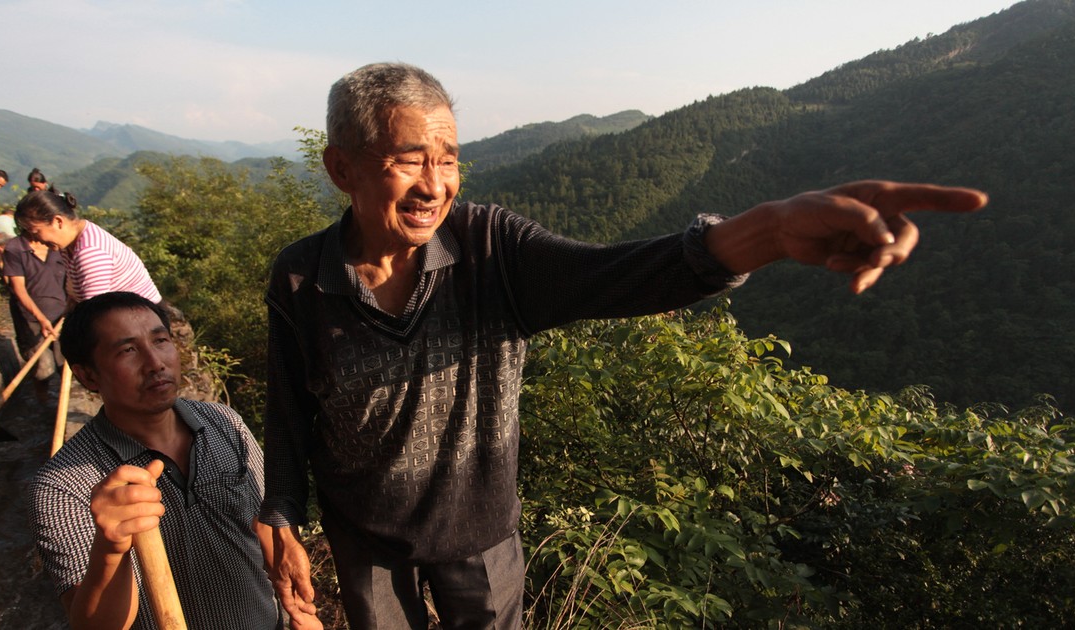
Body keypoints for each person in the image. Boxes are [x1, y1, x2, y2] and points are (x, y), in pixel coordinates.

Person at [260, 62, 988, 628]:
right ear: (341, 168)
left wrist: (761, 233)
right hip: (363, 543)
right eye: (408, 159)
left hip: (479, 540)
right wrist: (283, 514)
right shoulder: (300, 277)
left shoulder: (489, 249)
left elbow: (618, 276)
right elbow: (289, 412)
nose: (435, 183)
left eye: (449, 158)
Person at [28, 291, 321, 630]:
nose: (156, 363)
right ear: (87, 376)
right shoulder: (63, 486)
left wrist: (299, 609)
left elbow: (266, 525)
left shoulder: (225, 424)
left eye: (161, 341)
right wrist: (110, 547)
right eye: (128, 350)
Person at [15, 190, 162, 304]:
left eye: (35, 232)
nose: (35, 239)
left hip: (140, 322)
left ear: (58, 222)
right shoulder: (69, 243)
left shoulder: (90, 251)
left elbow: (95, 313)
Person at [1, 232, 66, 398]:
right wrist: (41, 318)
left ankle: (62, 409)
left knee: (64, 364)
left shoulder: (59, 244)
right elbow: (19, 289)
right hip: (30, 318)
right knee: (42, 366)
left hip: (62, 315)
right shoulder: (15, 249)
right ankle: (42, 403)